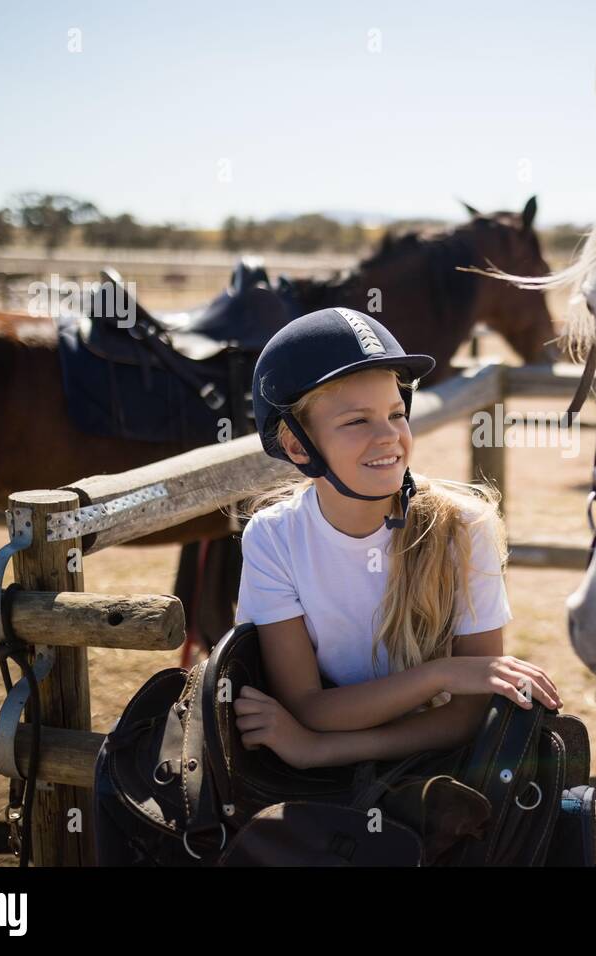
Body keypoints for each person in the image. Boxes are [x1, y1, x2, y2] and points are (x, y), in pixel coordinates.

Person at [232, 306, 561, 771]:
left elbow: (468, 715)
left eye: (396, 414)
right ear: (296, 446)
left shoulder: (464, 527)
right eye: (356, 421)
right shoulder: (274, 538)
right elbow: (308, 706)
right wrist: (443, 675)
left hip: (437, 772)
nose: (389, 437)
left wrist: (320, 749)